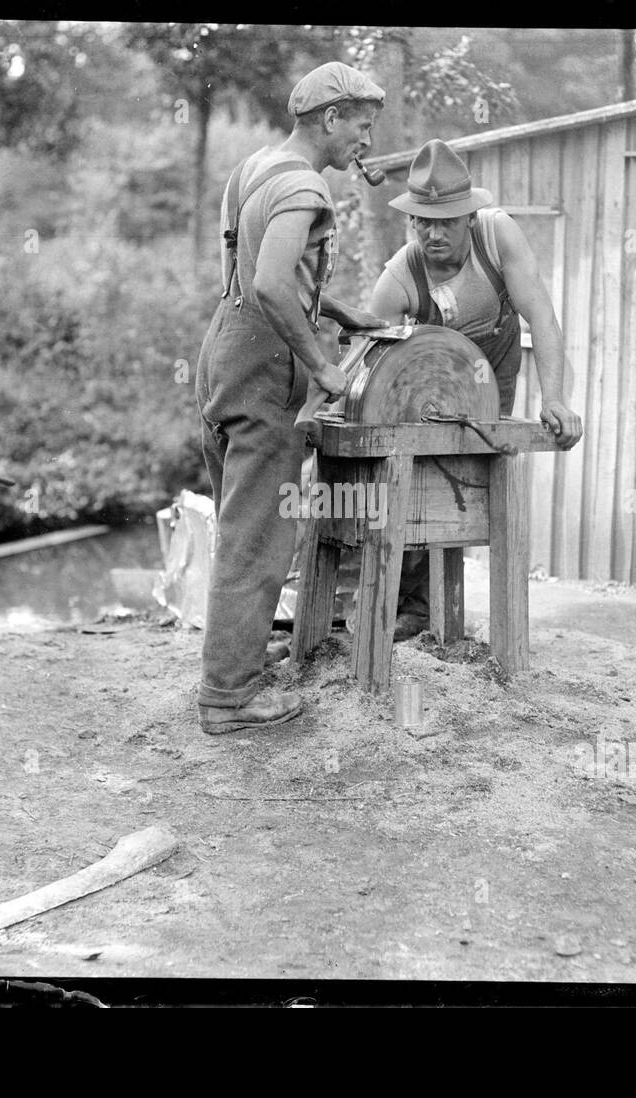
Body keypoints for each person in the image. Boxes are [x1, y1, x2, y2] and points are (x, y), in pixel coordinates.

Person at [195, 62, 388, 734]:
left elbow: (257, 272)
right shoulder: (306, 189)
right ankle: (229, 697)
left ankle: (237, 665)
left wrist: (342, 311)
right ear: (330, 119)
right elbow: (274, 283)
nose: (366, 140)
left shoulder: (257, 168)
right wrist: (324, 366)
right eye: (362, 125)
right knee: (258, 538)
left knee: (238, 527)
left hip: (224, 350)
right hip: (265, 370)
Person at [365, 139, 583, 639]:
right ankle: (411, 605)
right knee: (417, 470)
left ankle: (446, 608)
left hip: (492, 361)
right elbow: (369, 367)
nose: (434, 232)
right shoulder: (397, 280)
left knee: (473, 467)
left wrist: (554, 399)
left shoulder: (498, 234)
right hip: (425, 373)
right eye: (424, 221)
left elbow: (543, 319)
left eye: (446, 221)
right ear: (411, 221)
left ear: (469, 217)